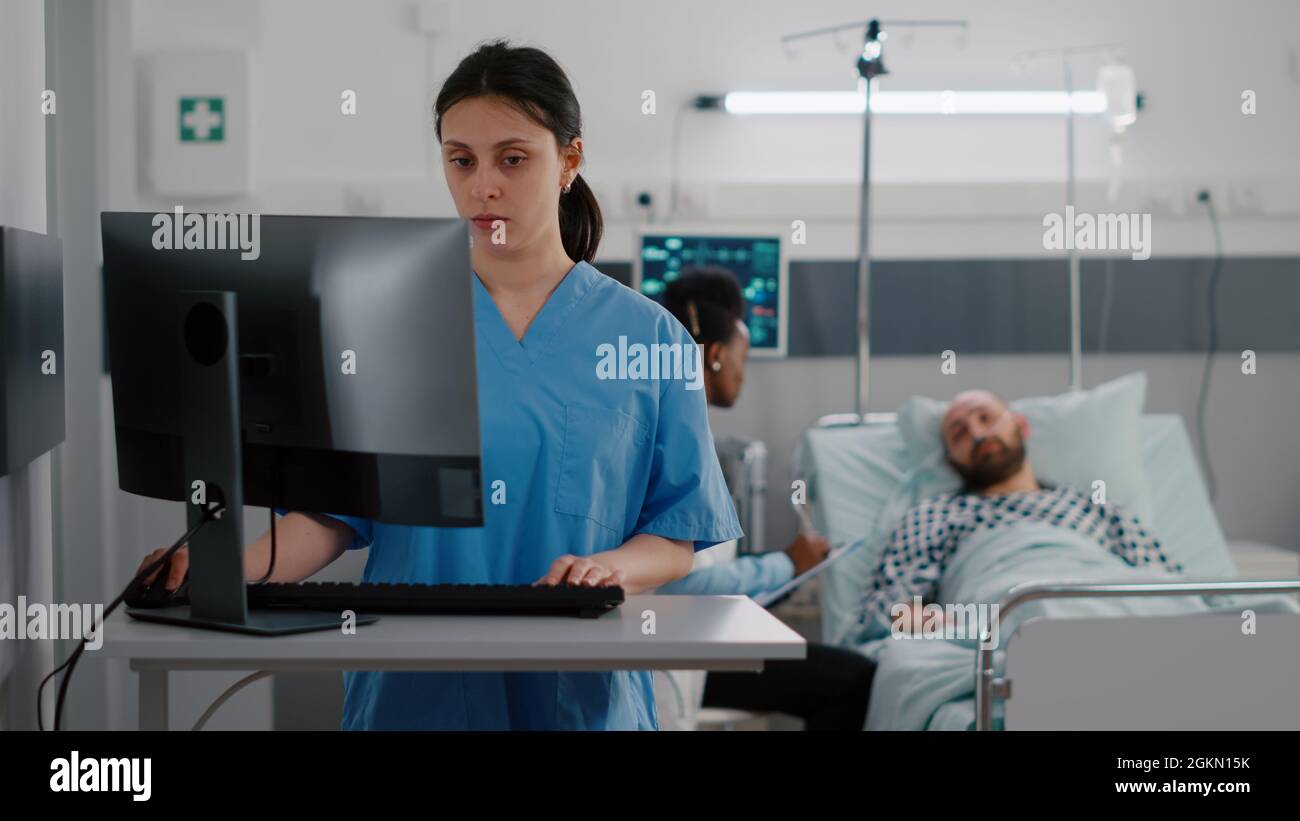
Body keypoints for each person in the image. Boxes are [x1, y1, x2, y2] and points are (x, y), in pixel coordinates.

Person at [138, 40, 741, 730]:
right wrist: (217, 566)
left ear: (570, 160)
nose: (483, 185)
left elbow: (676, 532)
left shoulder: (650, 339)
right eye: (461, 160)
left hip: (580, 694)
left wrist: (608, 568)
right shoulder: (389, 323)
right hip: (412, 694)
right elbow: (336, 513)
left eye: (512, 159)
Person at [652, 266, 876, 731]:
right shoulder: (672, 444)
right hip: (670, 652)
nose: (744, 375)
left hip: (688, 636)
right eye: (743, 358)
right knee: (852, 680)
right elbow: (677, 586)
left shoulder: (674, 429)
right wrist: (786, 564)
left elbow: (693, 565)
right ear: (714, 355)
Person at [859, 389, 1184, 633]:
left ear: (1020, 425)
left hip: (1118, 607)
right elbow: (891, 610)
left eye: (985, 418)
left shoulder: (1095, 508)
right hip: (1005, 614)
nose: (976, 433)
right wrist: (959, 626)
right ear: (950, 460)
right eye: (959, 432)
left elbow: (1171, 586)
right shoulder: (933, 516)